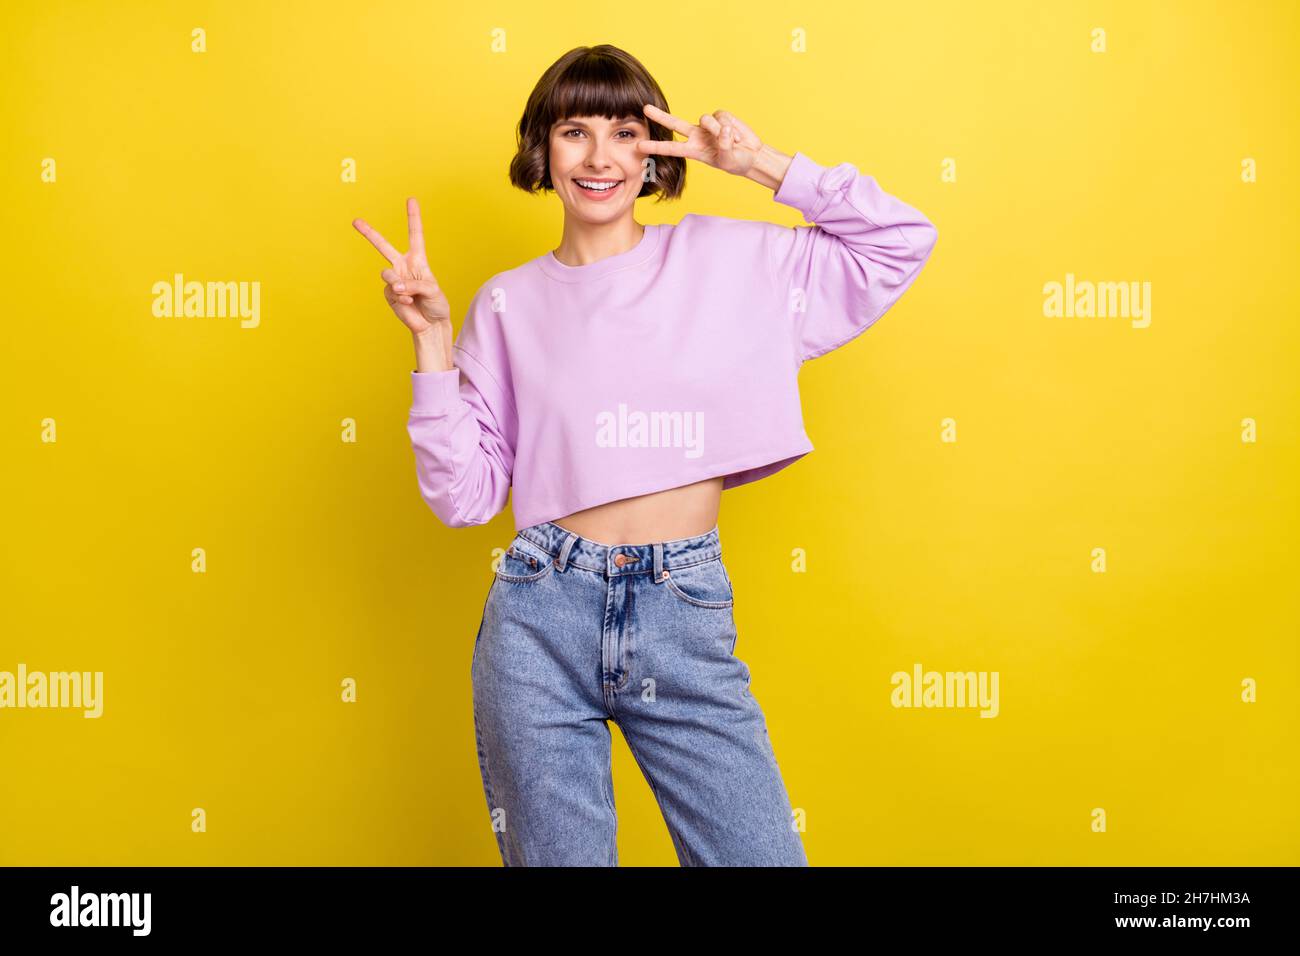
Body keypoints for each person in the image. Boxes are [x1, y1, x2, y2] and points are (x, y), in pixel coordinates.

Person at [352, 44, 937, 866]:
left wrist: (761, 164)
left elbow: (901, 241)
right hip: (539, 615)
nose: (599, 157)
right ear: (541, 151)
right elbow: (463, 497)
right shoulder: (507, 303)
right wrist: (434, 344)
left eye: (626, 132)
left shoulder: (732, 261)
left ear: (653, 151)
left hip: (681, 606)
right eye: (574, 132)